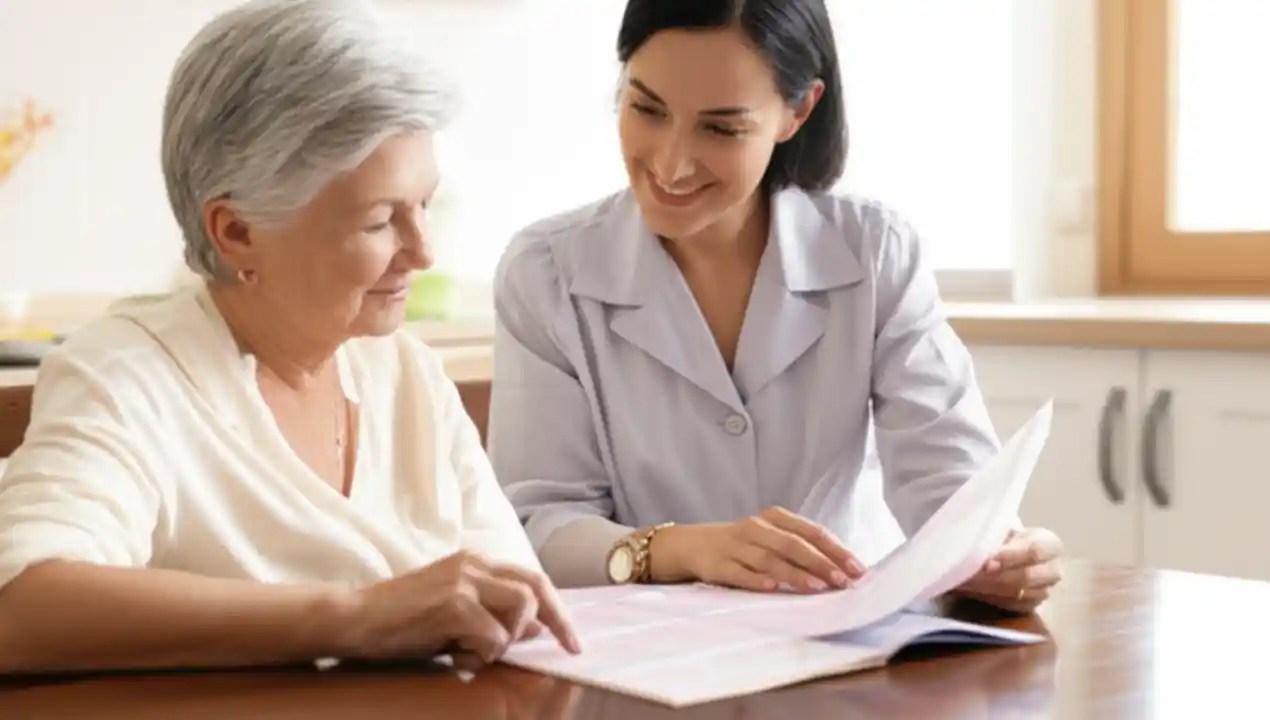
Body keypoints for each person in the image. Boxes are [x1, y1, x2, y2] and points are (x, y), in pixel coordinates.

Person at [0, 0, 577, 674]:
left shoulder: (408, 376)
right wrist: (358, 617)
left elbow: (516, 604)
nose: (424, 252)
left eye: (424, 205)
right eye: (378, 221)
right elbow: (21, 606)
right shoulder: (127, 375)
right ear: (236, 230)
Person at [489, 0, 1062, 612]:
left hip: (847, 638)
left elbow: (952, 484)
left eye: (721, 127)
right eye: (646, 109)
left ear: (798, 111)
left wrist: (1003, 556)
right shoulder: (546, 272)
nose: (671, 162)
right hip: (650, 657)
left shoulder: (873, 254)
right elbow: (537, 525)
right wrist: (687, 550)